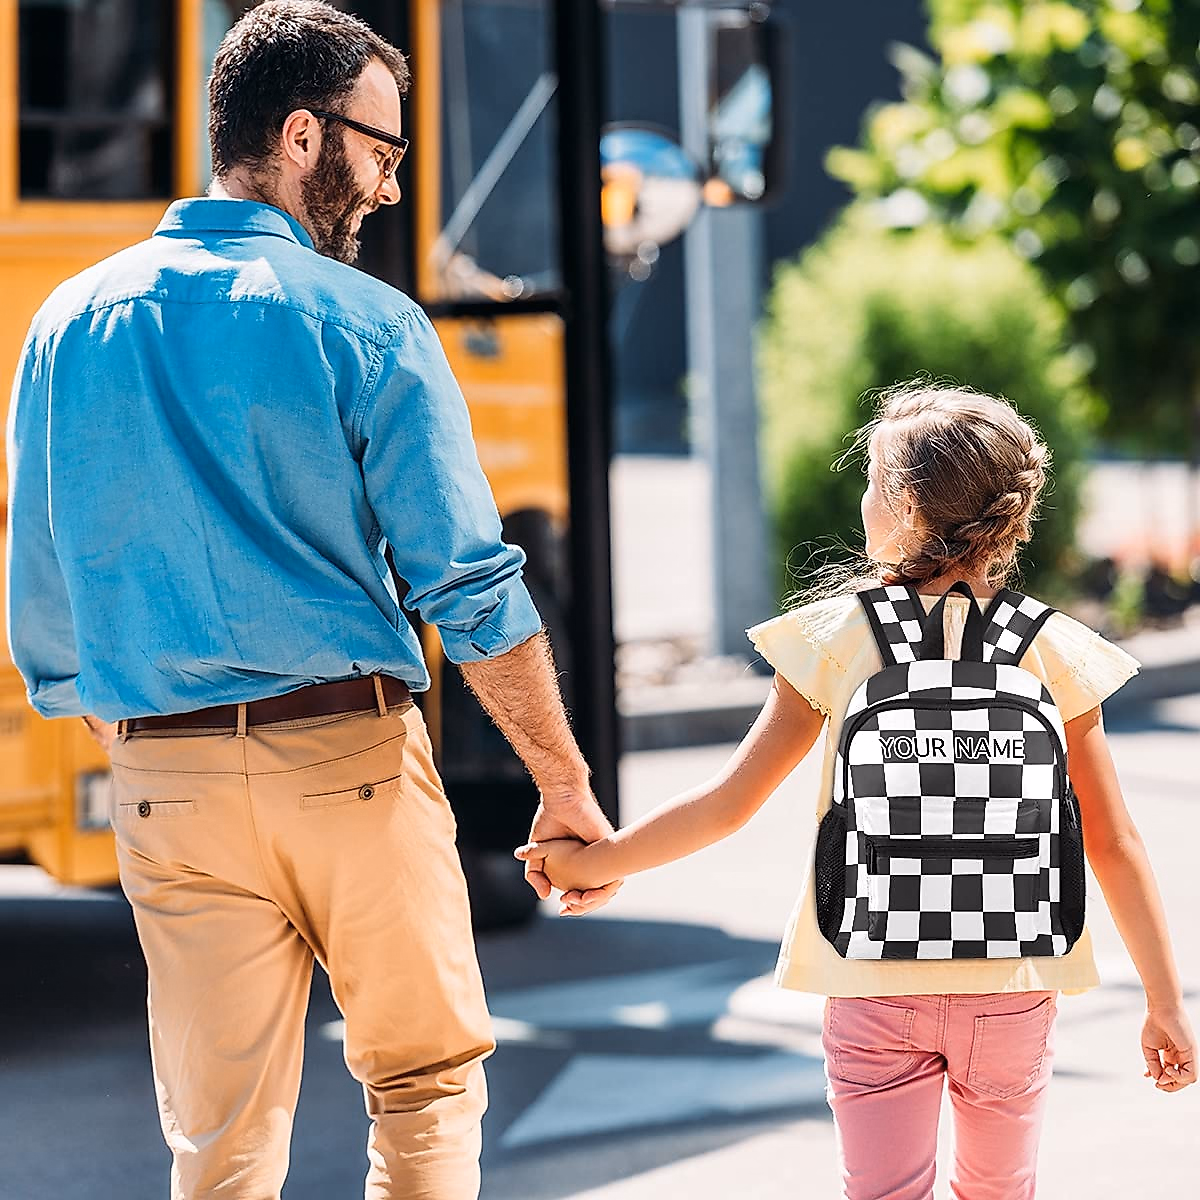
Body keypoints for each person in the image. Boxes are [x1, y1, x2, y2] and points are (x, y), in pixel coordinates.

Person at [6, 3, 617, 1197]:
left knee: (219, 1139)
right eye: (382, 151)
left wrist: (140, 736)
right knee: (425, 1085)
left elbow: (44, 579)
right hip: (346, 761)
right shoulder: (368, 322)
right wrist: (561, 783)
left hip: (163, 782)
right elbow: (469, 585)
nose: (388, 186)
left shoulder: (65, 323)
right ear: (300, 134)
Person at [519, 383, 1197, 1199]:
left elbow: (729, 802)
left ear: (907, 505)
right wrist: (1163, 1002)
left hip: (872, 978)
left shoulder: (840, 636)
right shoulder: (1048, 648)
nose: (866, 497)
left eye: (875, 480)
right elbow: (1112, 841)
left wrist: (590, 864)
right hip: (1013, 987)